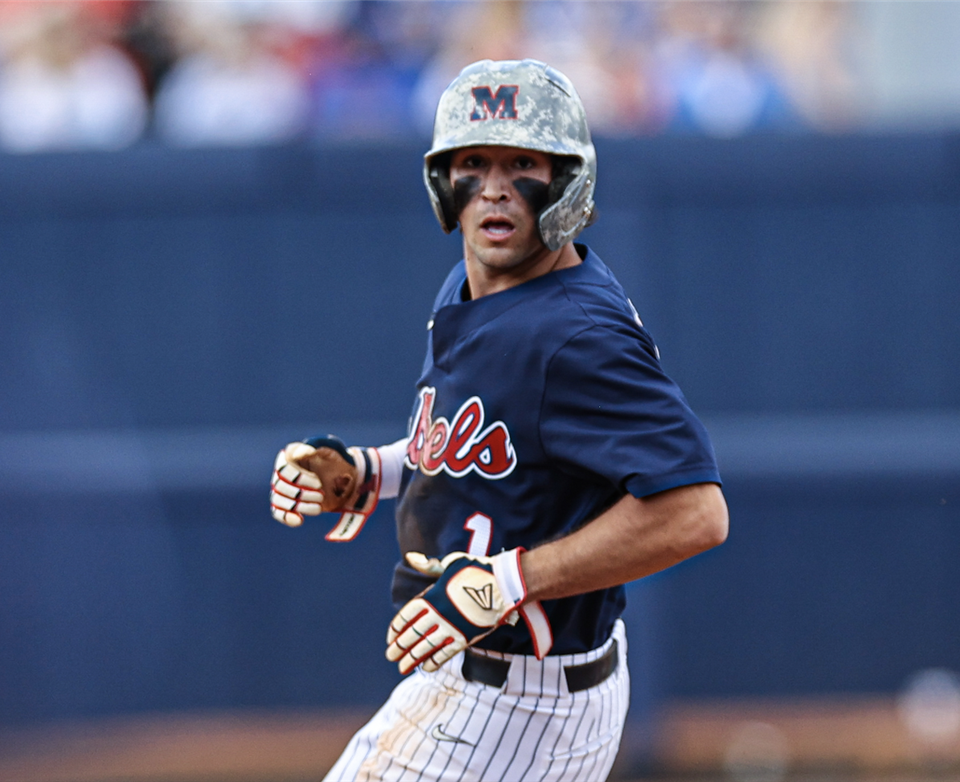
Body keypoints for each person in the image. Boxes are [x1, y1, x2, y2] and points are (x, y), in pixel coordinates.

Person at [270, 58, 728, 782]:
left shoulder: (577, 332)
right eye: (473, 162)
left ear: (568, 179)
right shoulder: (477, 283)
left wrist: (504, 582)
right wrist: (369, 474)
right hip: (478, 682)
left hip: (520, 705)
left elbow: (695, 512)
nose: (493, 187)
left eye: (522, 164)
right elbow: (493, 451)